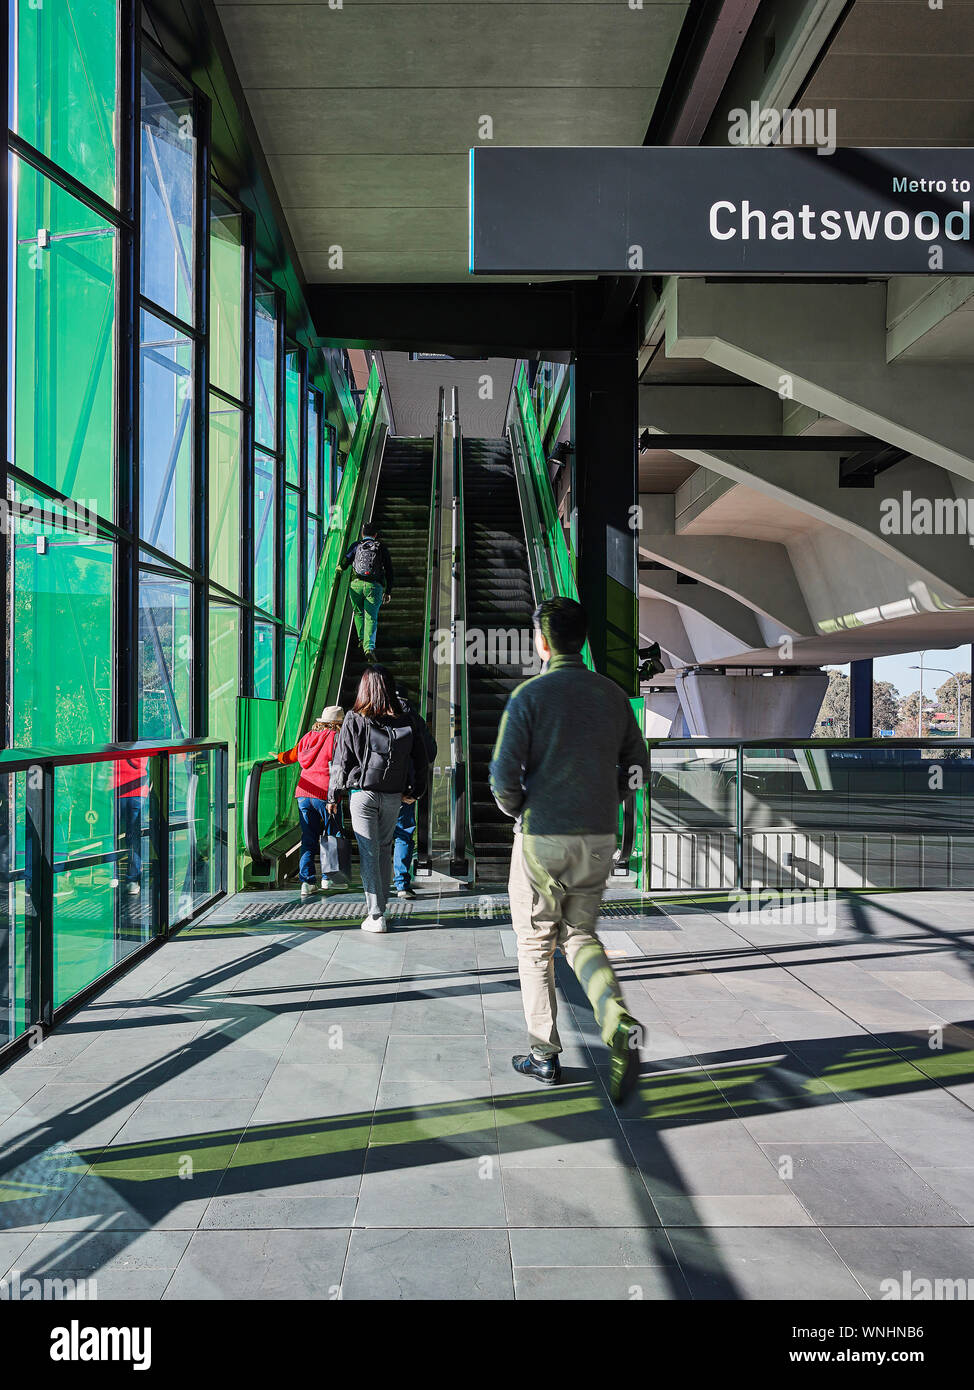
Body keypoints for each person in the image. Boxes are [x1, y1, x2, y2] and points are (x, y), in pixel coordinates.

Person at [489, 596, 650, 1105]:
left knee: (536, 943)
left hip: (542, 836)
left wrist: (519, 810)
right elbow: (638, 767)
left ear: (542, 640)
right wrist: (611, 801)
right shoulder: (612, 696)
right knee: (579, 936)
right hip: (598, 835)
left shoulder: (530, 697)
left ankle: (544, 1054)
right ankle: (616, 1021)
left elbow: (501, 775)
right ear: (582, 640)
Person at [329, 666, 428, 932]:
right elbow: (421, 758)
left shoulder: (354, 717)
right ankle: (381, 908)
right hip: (394, 795)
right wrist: (415, 792)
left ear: (365, 688)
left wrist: (333, 794)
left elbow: (341, 759)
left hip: (363, 793)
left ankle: (375, 915)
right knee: (385, 849)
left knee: (368, 852)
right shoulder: (406, 718)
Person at [277, 705, 347, 898]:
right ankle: (328, 878)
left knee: (308, 838)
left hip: (303, 793)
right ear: (338, 724)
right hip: (325, 794)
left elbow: (292, 755)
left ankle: (307, 882)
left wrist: (278, 757)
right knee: (331, 835)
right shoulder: (336, 738)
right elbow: (340, 767)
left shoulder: (308, 737)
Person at [392, 680, 437, 900]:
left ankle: (375, 885)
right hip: (406, 789)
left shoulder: (375, 715)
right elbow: (430, 752)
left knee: (376, 837)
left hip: (377, 789)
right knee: (403, 834)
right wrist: (416, 790)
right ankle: (401, 884)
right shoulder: (416, 720)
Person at [339, 520, 394, 662]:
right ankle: (368, 648)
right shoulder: (381, 548)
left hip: (355, 585)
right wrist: (388, 591)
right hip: (374, 587)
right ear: (375, 535)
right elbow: (389, 570)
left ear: (362, 533)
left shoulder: (357, 545)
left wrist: (339, 569)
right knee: (371, 617)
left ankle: (361, 638)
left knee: (358, 612)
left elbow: (345, 561)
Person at [112, 756, 149, 895]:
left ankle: (112, 876)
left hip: (115, 788)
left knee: (111, 834)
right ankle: (132, 880)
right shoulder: (139, 740)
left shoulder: (113, 737)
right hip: (138, 790)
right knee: (133, 836)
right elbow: (142, 762)